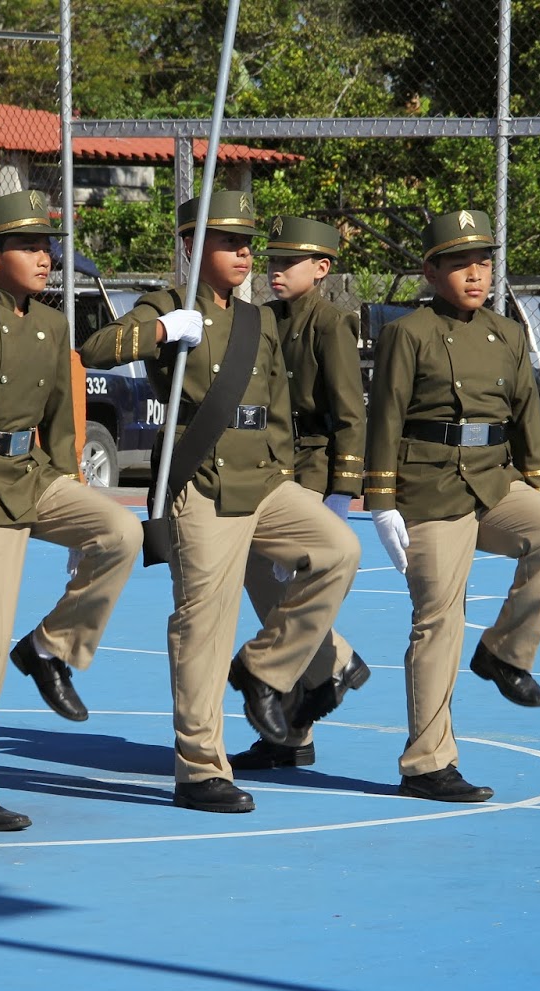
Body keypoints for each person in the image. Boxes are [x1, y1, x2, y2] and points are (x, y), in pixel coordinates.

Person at [81, 190, 360, 815]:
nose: (242, 253)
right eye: (227, 242)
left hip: (264, 479)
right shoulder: (168, 305)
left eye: (246, 244)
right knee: (204, 627)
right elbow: (96, 349)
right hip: (202, 484)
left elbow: (279, 411)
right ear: (191, 246)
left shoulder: (258, 320)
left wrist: (291, 477)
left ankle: (264, 668)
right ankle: (200, 767)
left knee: (338, 549)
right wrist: (160, 331)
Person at [0, 190, 142, 832]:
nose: (45, 257)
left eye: (46, 245)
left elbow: (61, 425)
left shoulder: (52, 326)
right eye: (27, 246)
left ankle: (50, 645)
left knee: (121, 530)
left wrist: (76, 499)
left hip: (36, 475)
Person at [365, 208, 540, 803]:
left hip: (491, 479)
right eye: (460, 263)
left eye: (483, 262)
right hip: (430, 488)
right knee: (437, 621)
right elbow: (383, 418)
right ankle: (427, 764)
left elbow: (525, 416)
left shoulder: (506, 334)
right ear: (432, 272)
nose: (476, 273)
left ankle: (504, 652)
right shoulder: (408, 333)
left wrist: (538, 484)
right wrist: (381, 502)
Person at [231, 215, 370, 772]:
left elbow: (348, 413)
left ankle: (316, 687)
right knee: (270, 589)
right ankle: (326, 678)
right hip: (271, 466)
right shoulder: (264, 319)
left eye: (288, 263)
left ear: (322, 267)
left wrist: (341, 492)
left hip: (310, 469)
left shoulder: (329, 324)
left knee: (283, 591)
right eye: (272, 262)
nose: (275, 272)